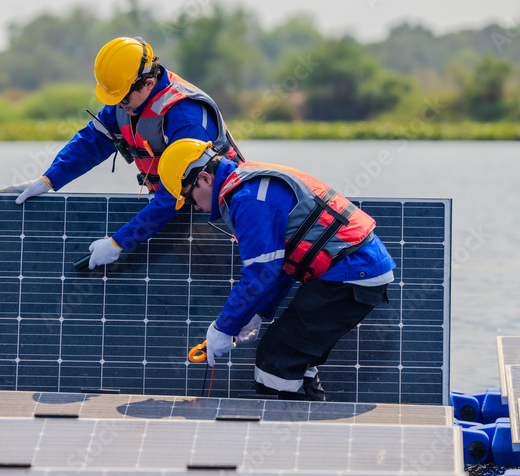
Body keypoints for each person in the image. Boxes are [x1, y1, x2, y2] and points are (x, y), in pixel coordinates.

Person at [156, 138, 395, 401]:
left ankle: (289, 436)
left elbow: (261, 274)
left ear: (205, 178)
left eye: (190, 198)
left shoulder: (248, 199)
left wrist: (223, 328)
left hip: (351, 271)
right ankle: (309, 423)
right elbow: (282, 264)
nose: (197, 208)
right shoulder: (247, 183)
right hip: (352, 268)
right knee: (291, 357)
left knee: (276, 361)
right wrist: (257, 313)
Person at [2, 36, 244, 269]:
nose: (118, 105)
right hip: (175, 211)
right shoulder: (126, 104)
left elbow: (174, 194)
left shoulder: (186, 116)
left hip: (222, 215)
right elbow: (90, 142)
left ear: (148, 83)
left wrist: (119, 242)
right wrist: (47, 180)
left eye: (122, 98)